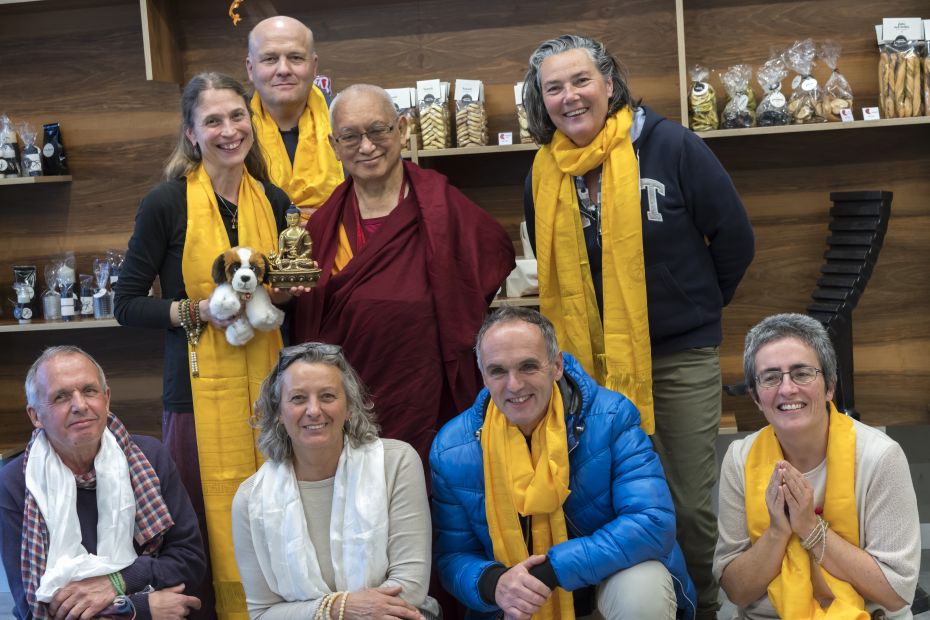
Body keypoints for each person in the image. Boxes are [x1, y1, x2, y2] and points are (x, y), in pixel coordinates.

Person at [521, 34, 755, 618]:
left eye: (581, 81)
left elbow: (735, 239)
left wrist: (691, 310)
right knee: (600, 494)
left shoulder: (670, 144)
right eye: (554, 87)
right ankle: (631, 601)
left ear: (608, 83)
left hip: (677, 358)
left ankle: (699, 603)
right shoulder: (543, 173)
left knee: (686, 500)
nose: (570, 97)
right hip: (585, 367)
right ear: (540, 100)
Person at [114, 72, 292, 618]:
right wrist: (198, 311)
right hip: (194, 393)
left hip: (272, 390)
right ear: (191, 133)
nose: (228, 129)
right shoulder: (166, 202)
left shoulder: (276, 200)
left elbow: (283, 300)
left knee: (276, 516)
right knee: (205, 526)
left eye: (237, 116)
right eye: (212, 120)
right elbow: (125, 304)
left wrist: (285, 292)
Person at [291, 84, 515, 466]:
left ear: (403, 129)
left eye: (378, 130)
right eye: (350, 136)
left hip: (428, 389)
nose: (366, 146)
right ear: (333, 145)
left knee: (433, 498)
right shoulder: (323, 225)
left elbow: (493, 252)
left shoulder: (442, 206)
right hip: (348, 401)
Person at [430, 307, 697, 620]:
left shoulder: (612, 417)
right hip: (518, 604)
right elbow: (453, 556)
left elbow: (652, 522)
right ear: (484, 376)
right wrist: (495, 583)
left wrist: (552, 570)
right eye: (498, 371)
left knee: (642, 588)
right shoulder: (451, 448)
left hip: (603, 593)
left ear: (556, 366)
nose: (514, 385)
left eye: (528, 366)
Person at [714, 313, 921, 619]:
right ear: (756, 398)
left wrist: (810, 528)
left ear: (829, 386)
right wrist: (777, 531)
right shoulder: (739, 459)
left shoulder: (880, 457)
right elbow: (737, 591)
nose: (787, 389)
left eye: (801, 373)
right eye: (770, 377)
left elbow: (895, 592)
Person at [232, 342, 440, 619]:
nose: (314, 410)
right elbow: (263, 613)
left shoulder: (396, 462)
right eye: (298, 398)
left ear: (351, 407)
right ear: (278, 413)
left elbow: (410, 588)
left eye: (328, 396)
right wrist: (339, 610)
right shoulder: (250, 499)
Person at [0, 346, 206, 619]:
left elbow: (189, 561)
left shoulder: (150, 457)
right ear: (35, 416)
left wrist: (117, 583)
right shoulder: (15, 482)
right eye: (61, 397)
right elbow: (34, 607)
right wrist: (137, 608)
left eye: (89, 391)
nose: (80, 405)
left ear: (106, 399)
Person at [246, 16, 344, 222]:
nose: (283, 70)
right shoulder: (230, 136)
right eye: (270, 59)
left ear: (314, 66)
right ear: (250, 68)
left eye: (296, 58)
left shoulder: (349, 126)